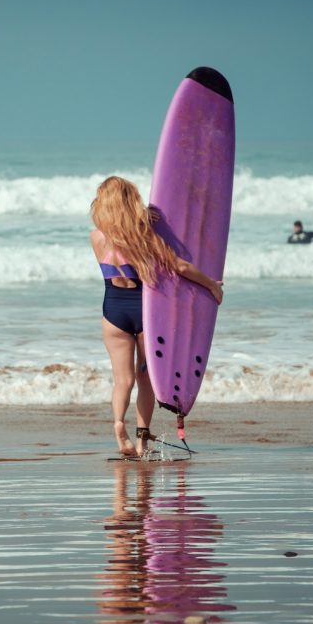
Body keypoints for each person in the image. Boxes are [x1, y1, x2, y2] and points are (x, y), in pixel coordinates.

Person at [89, 176, 223, 458]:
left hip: (112, 312)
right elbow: (179, 266)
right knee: (145, 380)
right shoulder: (143, 236)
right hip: (145, 314)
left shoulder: (97, 237)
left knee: (122, 380)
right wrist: (211, 284)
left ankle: (118, 424)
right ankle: (142, 441)